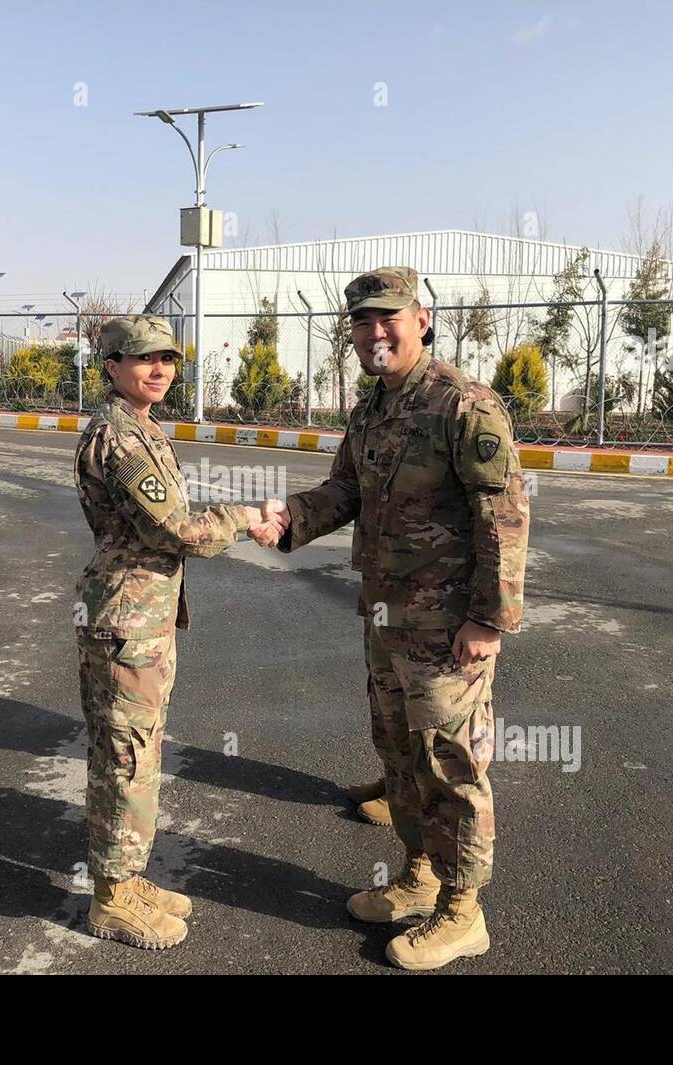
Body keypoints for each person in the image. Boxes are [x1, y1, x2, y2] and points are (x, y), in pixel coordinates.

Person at [265, 266, 530, 970]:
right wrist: (290, 518)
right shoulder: (371, 410)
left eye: (388, 316)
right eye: (361, 320)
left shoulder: (462, 404)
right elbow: (344, 491)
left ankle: (463, 910)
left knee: (452, 763)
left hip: (449, 626)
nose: (374, 330)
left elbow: (502, 516)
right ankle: (419, 873)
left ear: (423, 318)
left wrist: (488, 620)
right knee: (398, 752)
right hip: (386, 617)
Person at [73, 314, 283, 950]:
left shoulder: (139, 425)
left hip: (142, 618)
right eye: (143, 359)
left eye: (167, 358)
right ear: (111, 366)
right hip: (124, 621)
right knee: (125, 756)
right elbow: (175, 528)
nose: (160, 369)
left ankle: (129, 876)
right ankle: (111, 896)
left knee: (139, 749)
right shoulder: (122, 436)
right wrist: (247, 518)